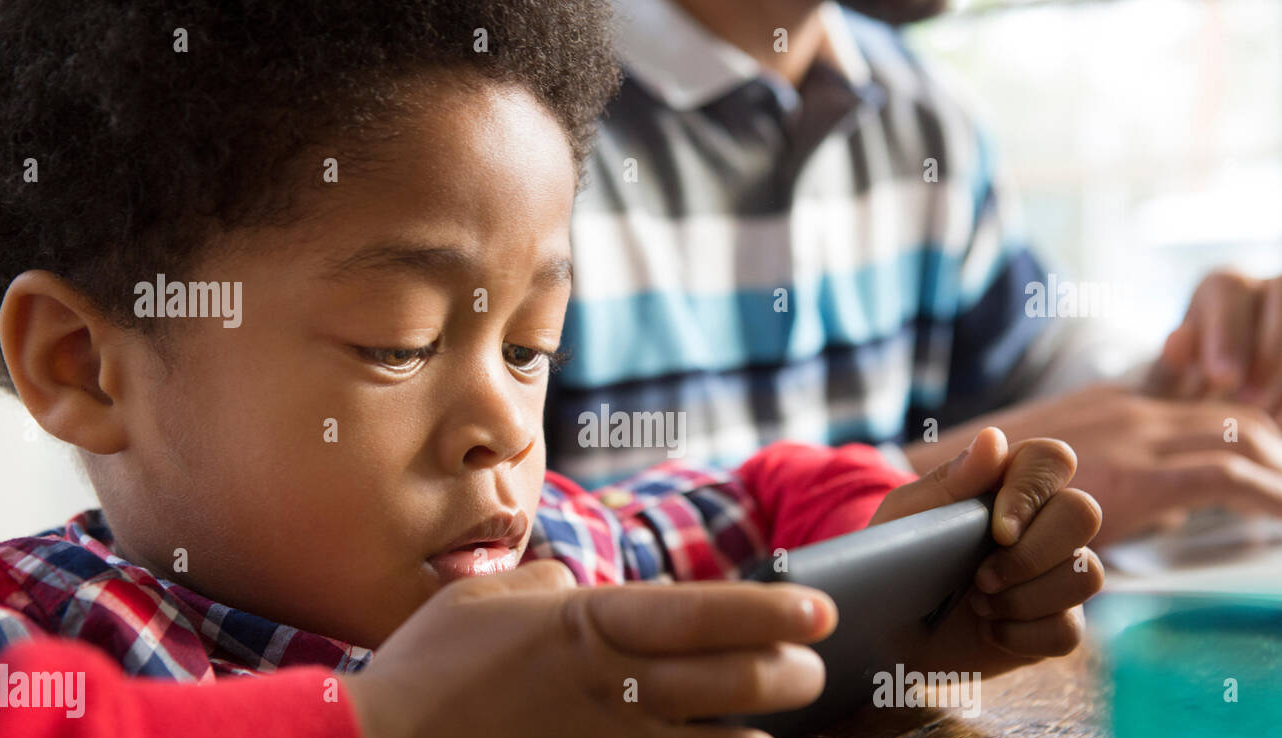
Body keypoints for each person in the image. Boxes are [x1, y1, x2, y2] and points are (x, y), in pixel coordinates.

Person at [0, 0, 1103, 738]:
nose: (502, 429)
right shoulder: (52, 634)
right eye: (398, 344)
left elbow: (767, 496)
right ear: (81, 364)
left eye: (528, 347)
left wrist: (890, 582)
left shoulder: (561, 561)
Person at [547, 0, 1282, 545]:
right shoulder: (516, 134)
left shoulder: (926, 115)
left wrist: (1206, 374)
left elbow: (1036, 369)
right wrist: (931, 490)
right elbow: (534, 567)